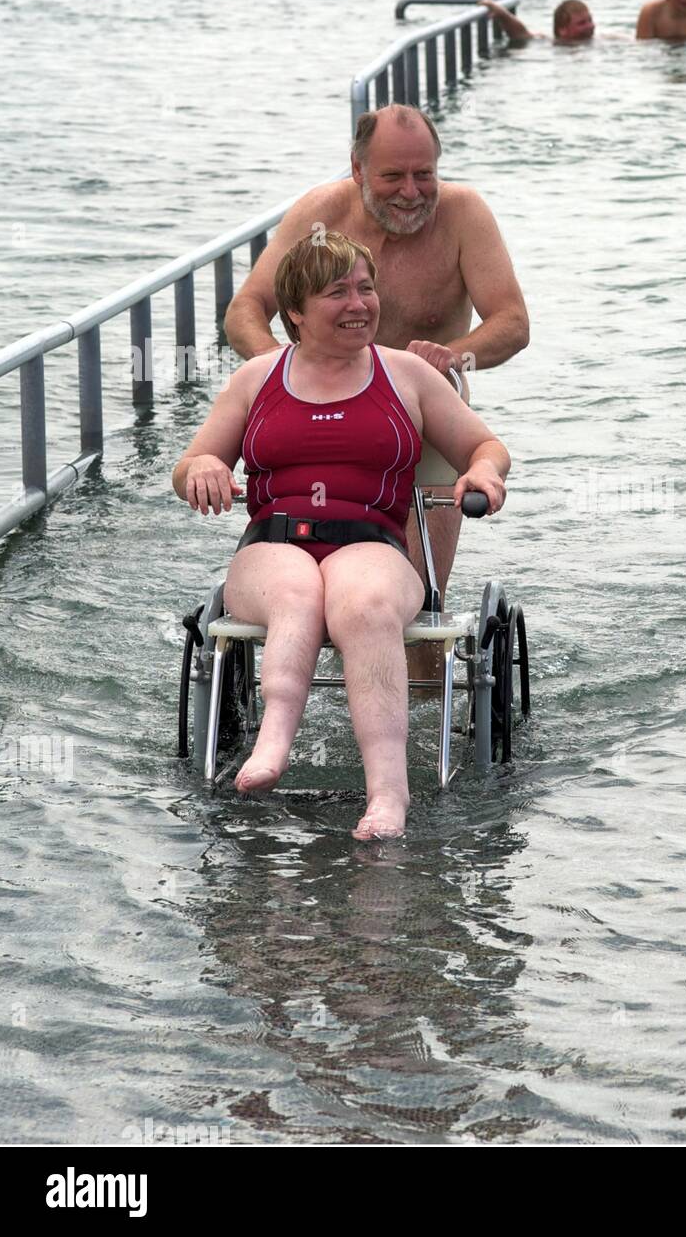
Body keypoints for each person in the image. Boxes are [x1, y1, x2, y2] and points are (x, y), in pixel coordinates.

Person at [175, 232, 511, 841]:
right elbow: (191, 463)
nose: (359, 303)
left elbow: (483, 445)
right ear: (296, 311)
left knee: (364, 602)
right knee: (298, 590)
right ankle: (272, 744)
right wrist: (202, 468)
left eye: (366, 288)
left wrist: (484, 470)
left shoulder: (406, 374)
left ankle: (388, 795)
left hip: (372, 545)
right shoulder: (256, 378)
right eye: (338, 293)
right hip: (271, 544)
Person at [223, 104, 528, 610]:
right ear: (358, 168)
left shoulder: (464, 214)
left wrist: (452, 356)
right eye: (393, 176)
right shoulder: (320, 214)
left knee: (418, 597)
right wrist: (275, 370)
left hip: (421, 407)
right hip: (319, 403)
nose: (411, 192)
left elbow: (512, 323)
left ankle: (418, 669)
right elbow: (245, 309)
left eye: (424, 174)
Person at [480, 0, 597, 45]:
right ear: (562, 30)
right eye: (582, 23)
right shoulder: (552, 43)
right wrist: (501, 13)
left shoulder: (600, 40)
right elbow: (521, 34)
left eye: (590, 20)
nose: (590, 26)